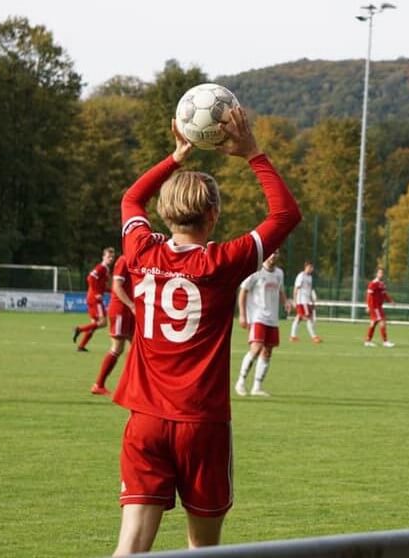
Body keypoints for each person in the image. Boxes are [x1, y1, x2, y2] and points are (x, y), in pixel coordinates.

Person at [110, 107, 300, 556]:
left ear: (165, 211)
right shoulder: (222, 263)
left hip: (146, 421)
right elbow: (286, 214)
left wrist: (175, 157)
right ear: (212, 214)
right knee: (205, 550)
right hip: (202, 424)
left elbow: (130, 200)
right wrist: (252, 151)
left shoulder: (140, 250)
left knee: (129, 549)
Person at [235, 251, 289, 397]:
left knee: (267, 351)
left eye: (276, 253)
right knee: (256, 347)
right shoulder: (255, 271)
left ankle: (256, 387)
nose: (273, 256)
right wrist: (242, 315)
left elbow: (281, 289)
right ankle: (240, 382)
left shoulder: (279, 273)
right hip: (257, 317)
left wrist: (285, 302)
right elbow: (243, 292)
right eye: (271, 253)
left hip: (273, 318)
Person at [91, 253, 135, 396]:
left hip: (129, 310)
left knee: (137, 348)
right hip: (121, 310)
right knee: (117, 347)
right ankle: (99, 384)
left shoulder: (137, 259)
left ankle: (132, 385)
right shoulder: (124, 260)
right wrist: (131, 305)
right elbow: (117, 287)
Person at [73, 247, 115, 352]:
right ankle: (79, 329)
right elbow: (90, 278)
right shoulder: (101, 267)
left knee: (94, 324)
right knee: (103, 322)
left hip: (93, 298)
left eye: (112, 257)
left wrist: (112, 292)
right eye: (108, 257)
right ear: (103, 257)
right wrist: (96, 293)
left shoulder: (106, 269)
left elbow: (102, 286)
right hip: (94, 299)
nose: (110, 259)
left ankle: (81, 346)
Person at [289, 260, 320, 343]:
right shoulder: (301, 276)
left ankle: (293, 336)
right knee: (308, 317)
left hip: (306, 301)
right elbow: (296, 288)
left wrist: (312, 301)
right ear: (306, 267)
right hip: (301, 301)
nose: (311, 269)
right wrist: (295, 301)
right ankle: (314, 337)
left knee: (298, 318)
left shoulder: (310, 277)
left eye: (312, 267)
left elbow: (309, 290)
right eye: (310, 267)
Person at [364, 267, 395, 348]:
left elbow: (384, 294)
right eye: (380, 273)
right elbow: (369, 295)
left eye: (382, 273)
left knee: (373, 323)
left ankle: (368, 341)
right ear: (376, 274)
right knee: (382, 322)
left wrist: (390, 301)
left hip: (379, 307)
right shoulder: (373, 283)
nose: (381, 274)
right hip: (374, 307)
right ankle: (385, 341)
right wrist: (367, 306)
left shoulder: (382, 284)